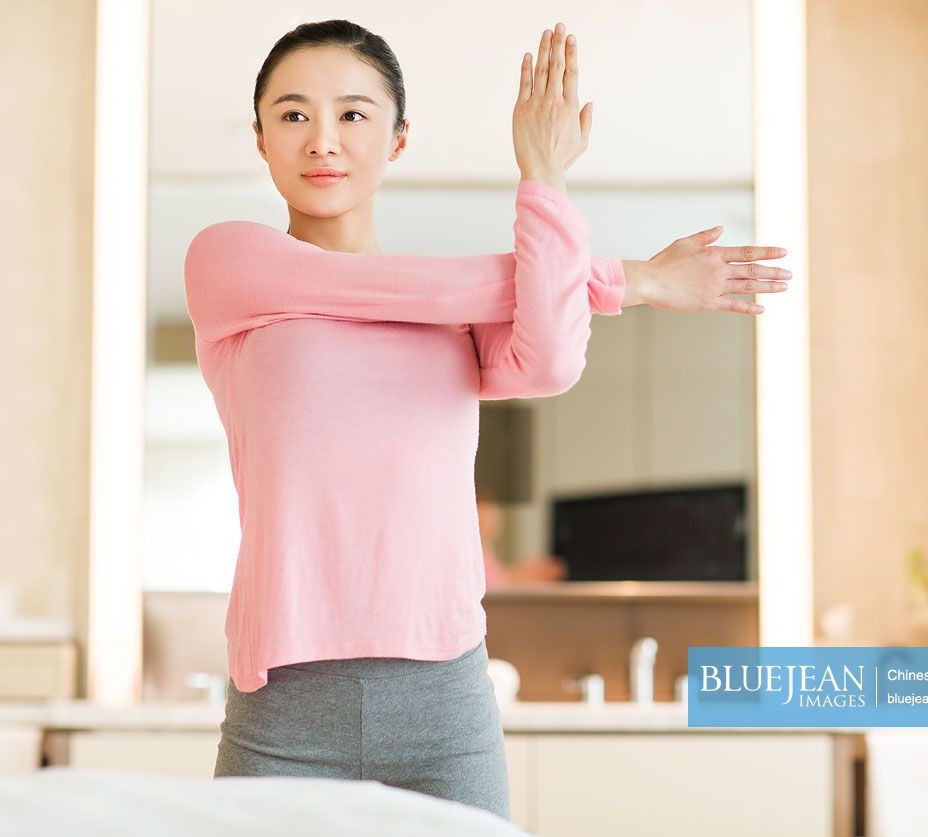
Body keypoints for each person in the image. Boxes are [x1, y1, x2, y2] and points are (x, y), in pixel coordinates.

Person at [186, 19, 792, 819]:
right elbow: (417, 291)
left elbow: (549, 364)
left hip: (443, 708)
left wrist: (544, 175)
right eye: (293, 115)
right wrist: (633, 278)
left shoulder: (459, 312)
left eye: (354, 114)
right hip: (286, 711)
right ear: (260, 138)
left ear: (398, 141)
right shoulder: (229, 264)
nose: (322, 140)